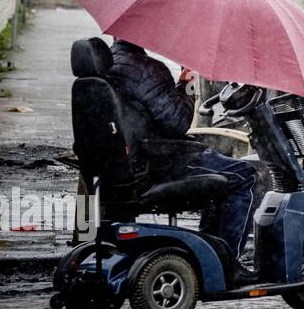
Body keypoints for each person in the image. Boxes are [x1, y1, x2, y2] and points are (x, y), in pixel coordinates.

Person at [107, 40, 259, 267]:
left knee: (219, 171)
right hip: (158, 165)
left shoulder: (107, 67)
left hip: (125, 169)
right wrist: (188, 90)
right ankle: (225, 263)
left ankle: (208, 253)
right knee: (244, 175)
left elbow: (152, 110)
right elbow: (178, 123)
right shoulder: (147, 70)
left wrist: (178, 86)